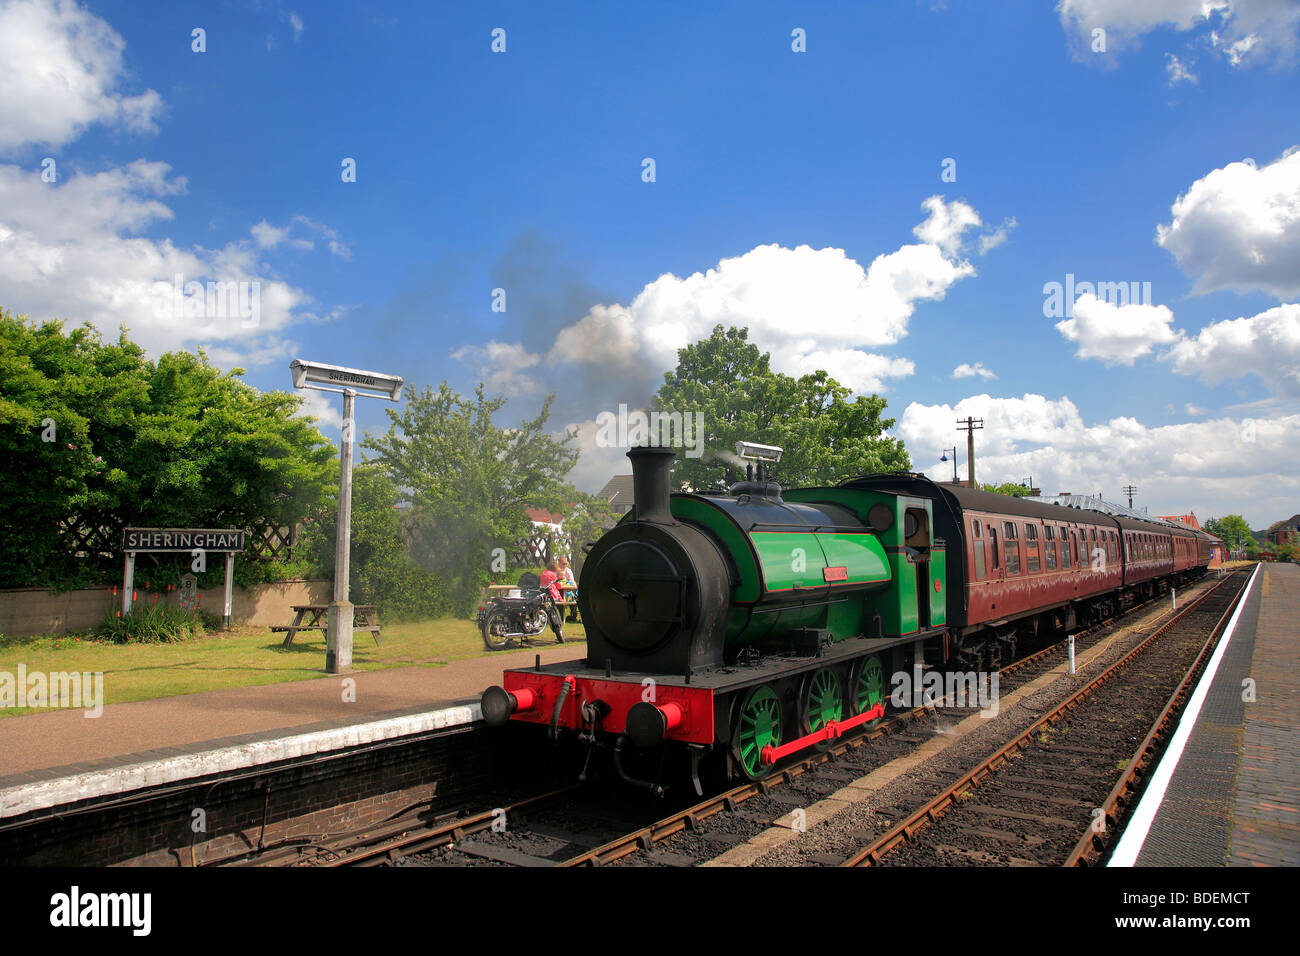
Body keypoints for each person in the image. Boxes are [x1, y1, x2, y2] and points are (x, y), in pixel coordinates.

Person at [538, 558, 565, 643]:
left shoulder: (543, 573)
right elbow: (558, 586)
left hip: (543, 594)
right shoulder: (553, 574)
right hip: (552, 595)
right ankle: (561, 620)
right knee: (562, 604)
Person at [557, 554, 578, 621]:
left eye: (566, 564)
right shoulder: (555, 571)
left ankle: (572, 616)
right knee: (560, 598)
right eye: (563, 564)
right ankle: (560, 617)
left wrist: (573, 584)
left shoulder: (568, 571)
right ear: (559, 563)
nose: (565, 566)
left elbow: (573, 582)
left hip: (567, 591)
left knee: (573, 598)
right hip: (557, 592)